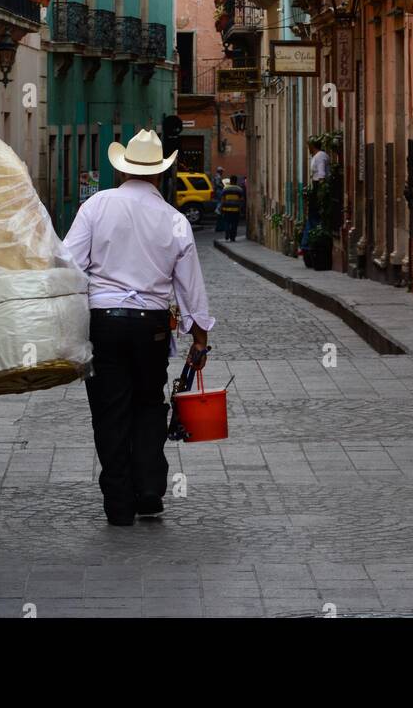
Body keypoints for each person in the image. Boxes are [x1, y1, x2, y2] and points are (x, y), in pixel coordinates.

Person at [65, 129, 215, 527]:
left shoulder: (96, 206)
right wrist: (199, 339)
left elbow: (69, 265)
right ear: (159, 175)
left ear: (122, 169)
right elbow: (190, 286)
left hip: (103, 323)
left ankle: (118, 504)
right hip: (152, 327)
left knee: (109, 411)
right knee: (150, 404)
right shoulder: (175, 220)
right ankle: (149, 491)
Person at [219, 174, 244, 242]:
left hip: (226, 209)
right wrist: (240, 208)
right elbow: (241, 200)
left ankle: (227, 233)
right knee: (234, 224)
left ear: (230, 181)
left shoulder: (225, 188)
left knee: (227, 222)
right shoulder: (239, 189)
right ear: (236, 181)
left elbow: (222, 199)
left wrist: (221, 207)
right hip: (236, 210)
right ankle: (233, 237)